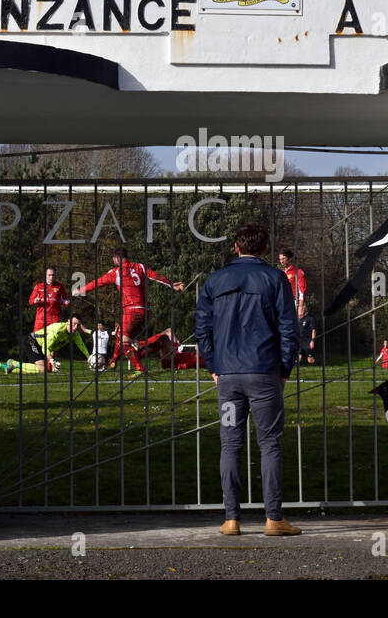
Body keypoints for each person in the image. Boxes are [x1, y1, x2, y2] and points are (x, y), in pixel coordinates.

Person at [195, 222, 301, 537]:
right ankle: (273, 518)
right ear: (265, 249)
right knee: (269, 443)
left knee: (230, 445)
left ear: (236, 247)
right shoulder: (275, 278)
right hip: (264, 372)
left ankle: (231, 519)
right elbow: (288, 328)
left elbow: (203, 330)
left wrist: (214, 366)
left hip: (228, 376)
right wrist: (283, 370)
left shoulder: (215, 280)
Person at [76, 250, 184, 378]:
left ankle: (140, 369)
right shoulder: (140, 266)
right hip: (144, 311)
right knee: (123, 336)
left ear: (116, 258)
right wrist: (172, 284)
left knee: (124, 341)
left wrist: (80, 290)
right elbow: (155, 276)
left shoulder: (116, 272)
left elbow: (97, 283)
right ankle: (114, 361)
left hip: (131, 311)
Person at [0, 316, 91, 374]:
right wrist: (50, 359)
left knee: (40, 369)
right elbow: (45, 347)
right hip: (32, 341)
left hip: (41, 346)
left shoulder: (75, 334)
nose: (74, 328)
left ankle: (9, 369)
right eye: (73, 324)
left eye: (77, 325)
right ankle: (13, 363)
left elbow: (81, 346)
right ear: (68, 321)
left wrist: (89, 357)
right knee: (42, 369)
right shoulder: (57, 330)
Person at [296, 300, 317, 365]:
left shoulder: (310, 318)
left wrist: (312, 340)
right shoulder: (296, 318)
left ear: (304, 309)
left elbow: (313, 330)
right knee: (297, 359)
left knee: (310, 361)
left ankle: (317, 363)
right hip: (299, 341)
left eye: (301, 309)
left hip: (307, 342)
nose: (299, 313)